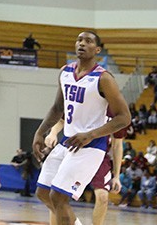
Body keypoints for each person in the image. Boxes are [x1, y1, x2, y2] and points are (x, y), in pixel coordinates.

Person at [33, 31, 131, 225]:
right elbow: (57, 108)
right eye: (79, 40)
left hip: (91, 145)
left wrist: (90, 134)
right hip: (67, 141)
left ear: (97, 50)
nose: (82, 44)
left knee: (58, 197)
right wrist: (39, 132)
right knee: (43, 192)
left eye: (88, 41)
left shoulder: (103, 78)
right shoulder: (65, 72)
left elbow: (125, 117)